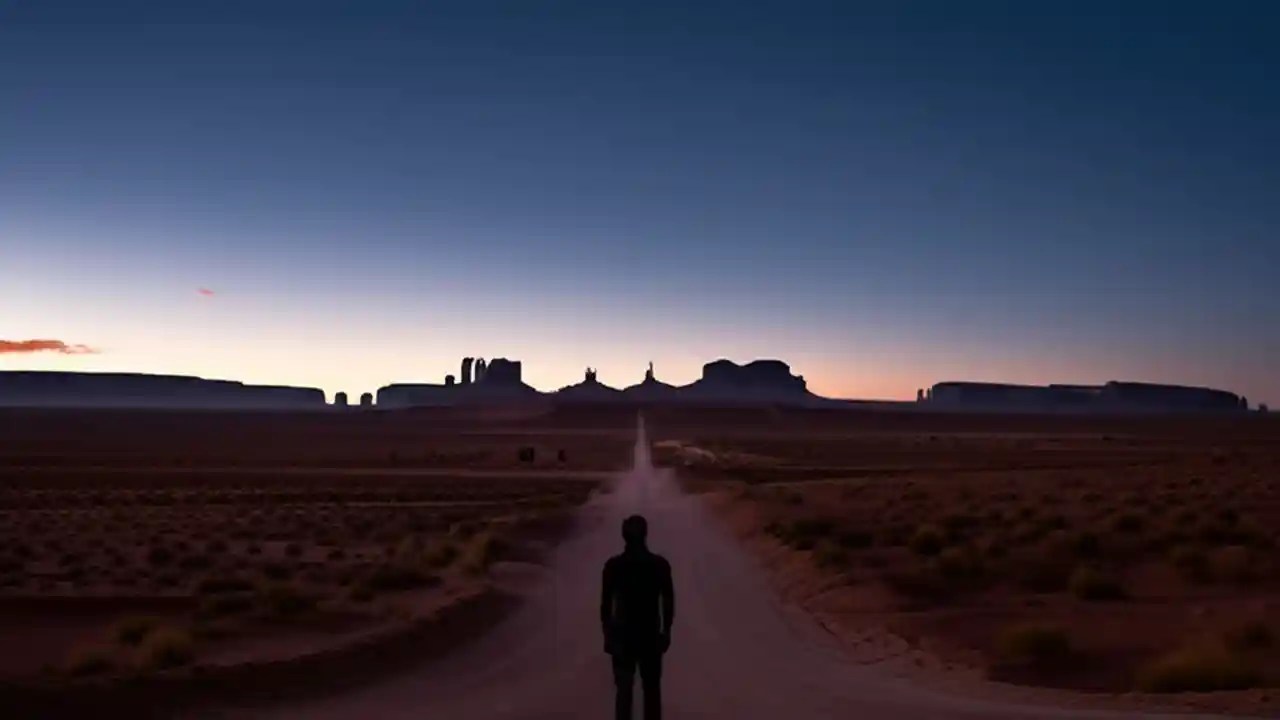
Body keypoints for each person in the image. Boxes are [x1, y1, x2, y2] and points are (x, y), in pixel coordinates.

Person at [600, 514, 674, 720]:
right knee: (651, 692)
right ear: (646, 534)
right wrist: (666, 631)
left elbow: (605, 605)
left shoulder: (613, 566)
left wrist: (607, 634)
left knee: (624, 693)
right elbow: (668, 602)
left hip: (623, 637)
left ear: (623, 536)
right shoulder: (660, 565)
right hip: (649, 635)